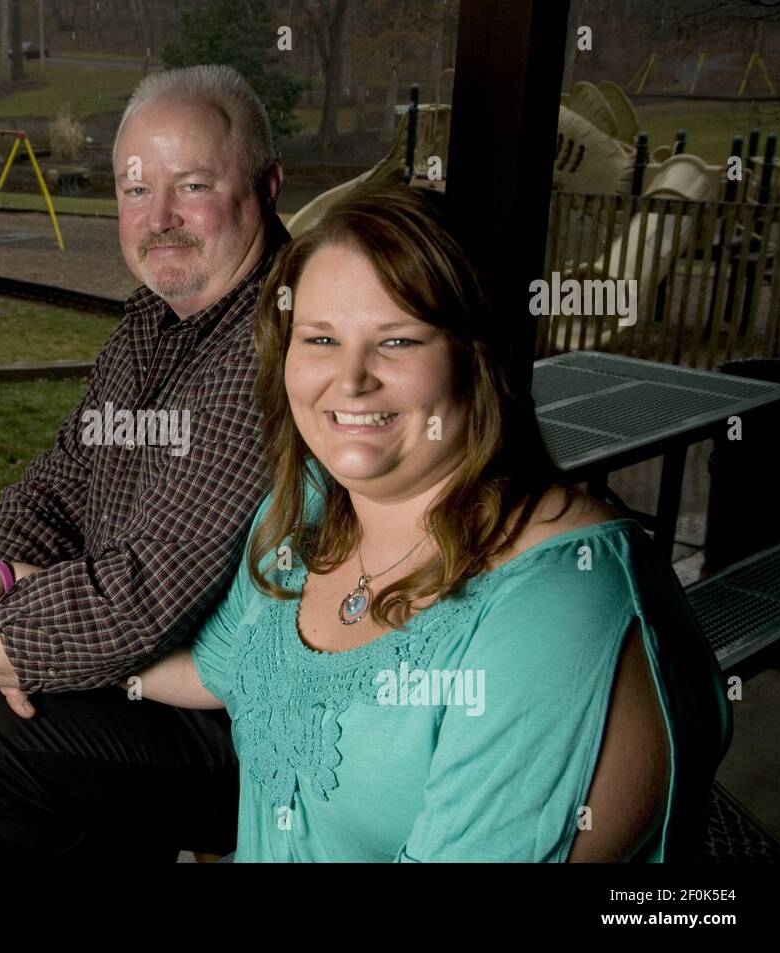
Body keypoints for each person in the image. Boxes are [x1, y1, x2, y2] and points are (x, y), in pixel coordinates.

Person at [131, 183, 733, 861]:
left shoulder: (558, 609)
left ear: (476, 359)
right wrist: (8, 633)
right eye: (321, 338)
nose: (350, 378)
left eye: (397, 339)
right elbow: (216, 670)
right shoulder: (304, 505)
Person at [0, 63, 289, 860]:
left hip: (255, 728)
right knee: (9, 712)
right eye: (133, 189)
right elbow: (59, 485)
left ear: (266, 185)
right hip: (145, 682)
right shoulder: (150, 324)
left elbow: (147, 588)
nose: (159, 218)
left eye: (191, 185)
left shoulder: (282, 337)